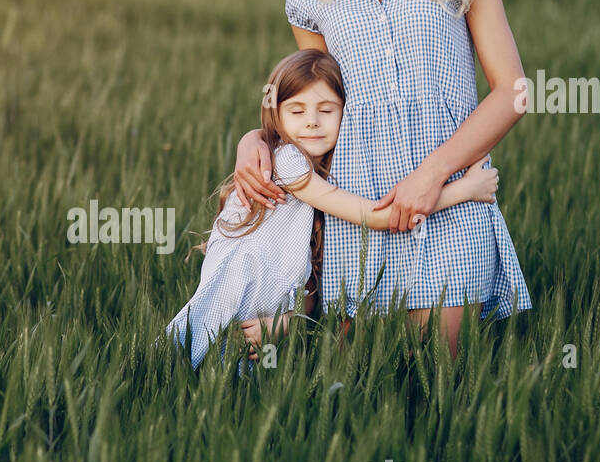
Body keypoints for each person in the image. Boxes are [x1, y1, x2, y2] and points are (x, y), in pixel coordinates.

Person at [234, 0, 532, 359]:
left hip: (451, 198)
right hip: (358, 207)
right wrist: (256, 139)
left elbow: (514, 92)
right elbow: (314, 108)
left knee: (442, 387)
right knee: (361, 390)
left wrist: (433, 174)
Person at [166, 49, 498, 369]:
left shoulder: (326, 169)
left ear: (346, 113)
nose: (311, 122)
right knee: (201, 367)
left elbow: (307, 273)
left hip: (266, 305)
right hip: (238, 297)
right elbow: (378, 217)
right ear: (277, 116)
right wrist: (465, 190)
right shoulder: (288, 161)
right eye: (296, 112)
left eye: (326, 110)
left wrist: (284, 322)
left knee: (238, 383)